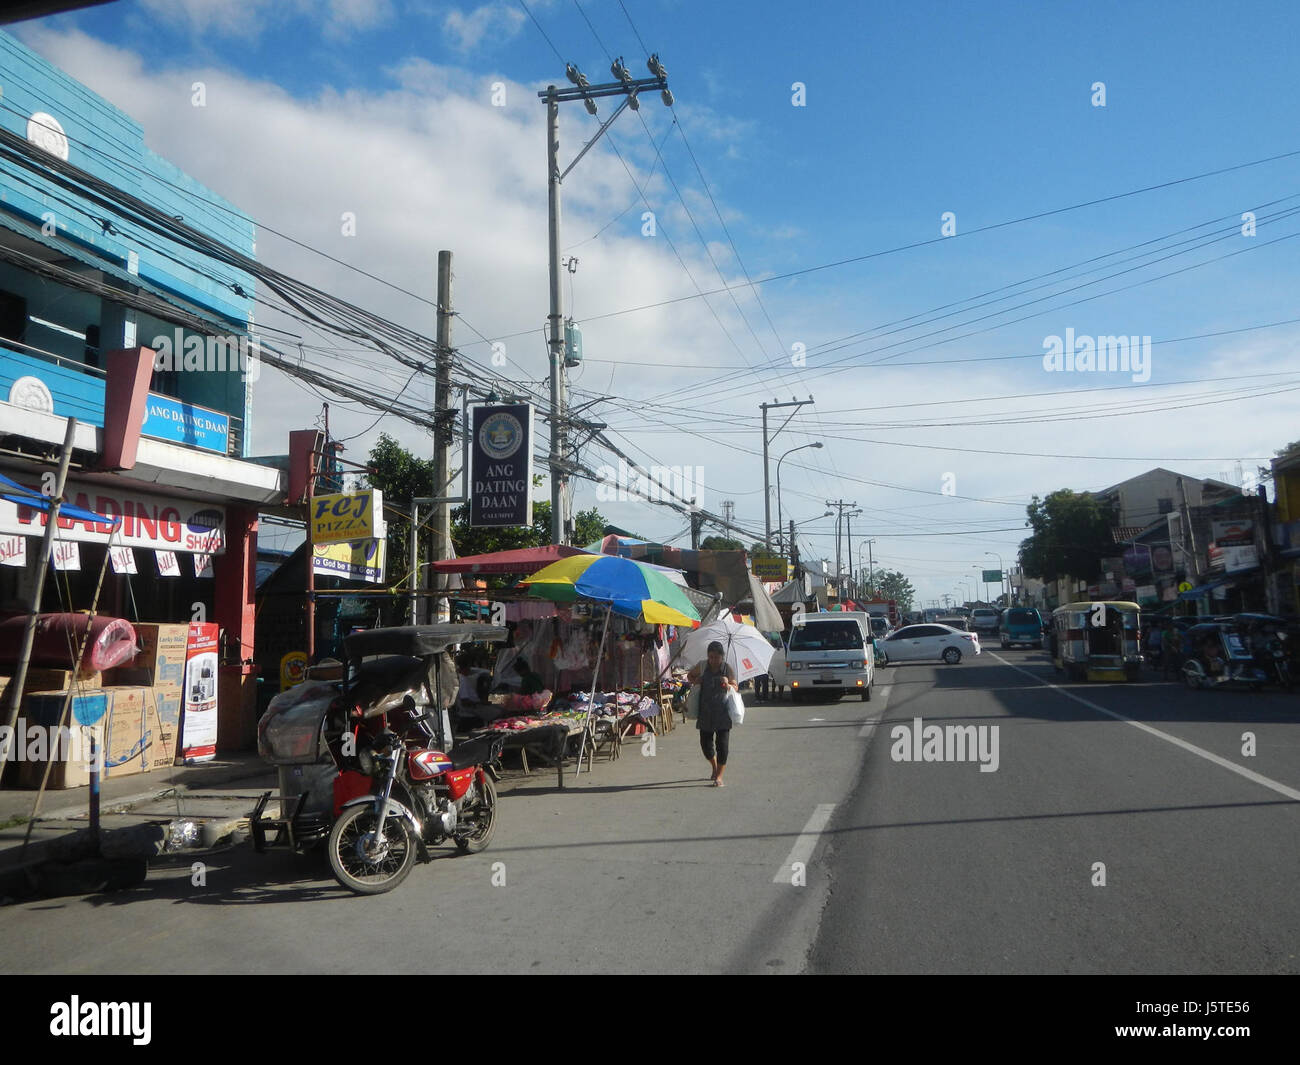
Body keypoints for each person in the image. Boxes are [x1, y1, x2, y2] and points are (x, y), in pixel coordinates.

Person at [686, 640, 737, 787]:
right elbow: (690, 676)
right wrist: (697, 680)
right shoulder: (702, 666)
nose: (713, 660)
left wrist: (728, 683)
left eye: (716, 657)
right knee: (706, 745)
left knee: (722, 746)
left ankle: (719, 776)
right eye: (711, 657)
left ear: (722, 657)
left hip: (723, 714)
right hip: (705, 713)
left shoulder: (727, 669)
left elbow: (736, 686)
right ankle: (714, 766)